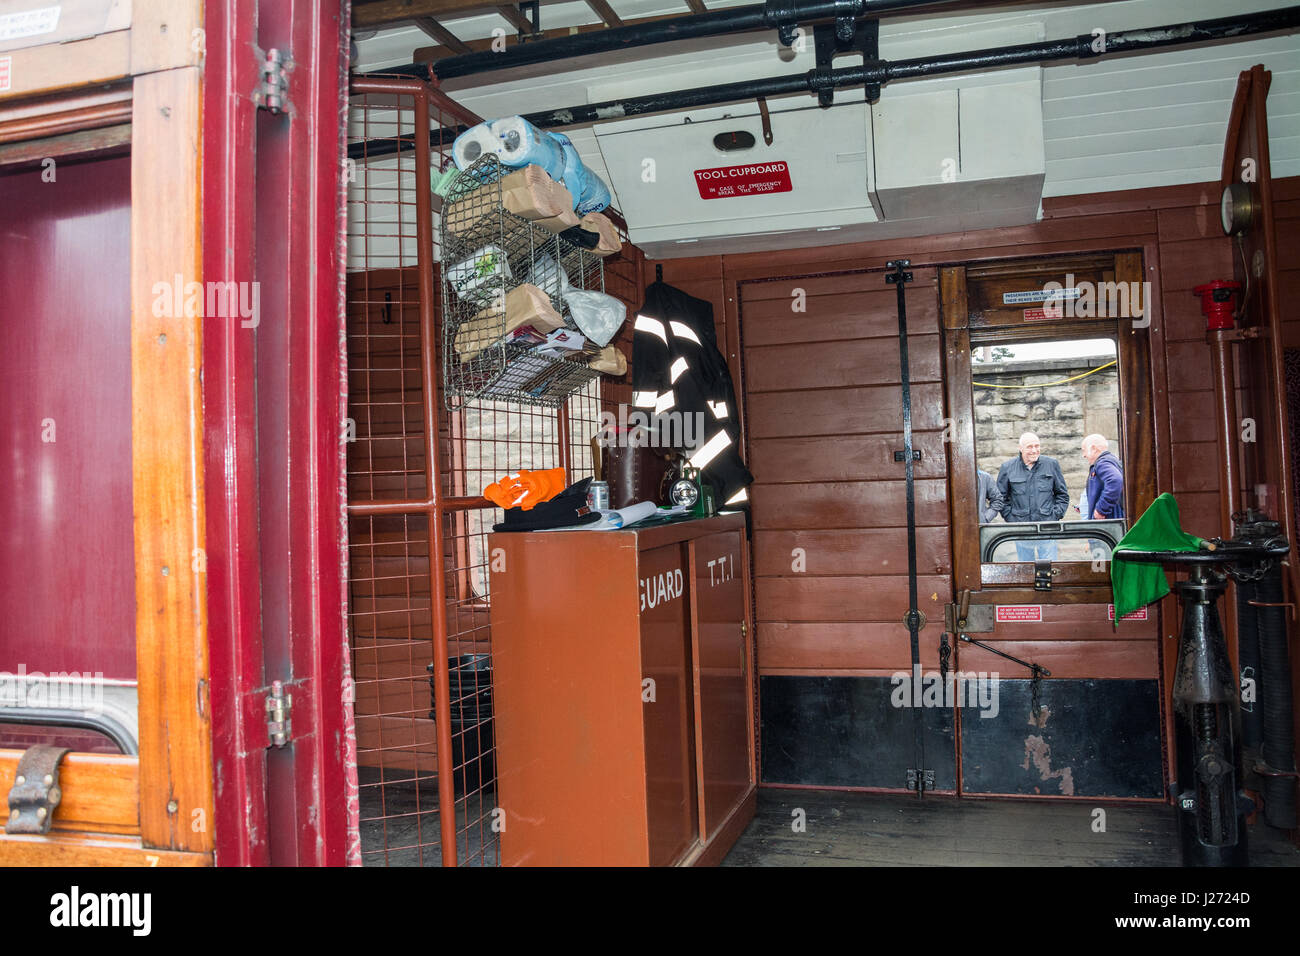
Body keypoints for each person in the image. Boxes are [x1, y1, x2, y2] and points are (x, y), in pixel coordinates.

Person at [996, 432, 1070, 561]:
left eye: (1037, 446)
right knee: (1026, 570)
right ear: (1020, 448)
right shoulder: (1007, 468)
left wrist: (1055, 515)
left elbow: (1062, 495)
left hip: (1048, 529)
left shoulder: (1051, 464)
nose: (1034, 450)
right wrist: (1011, 519)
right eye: (1030, 447)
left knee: (1050, 569)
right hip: (1022, 531)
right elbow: (1000, 498)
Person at [1082, 434, 1124, 519]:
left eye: (1084, 450)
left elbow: (1115, 480)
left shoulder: (1102, 463)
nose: (1084, 455)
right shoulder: (1111, 461)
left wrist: (1101, 510)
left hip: (1109, 522)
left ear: (1093, 449)